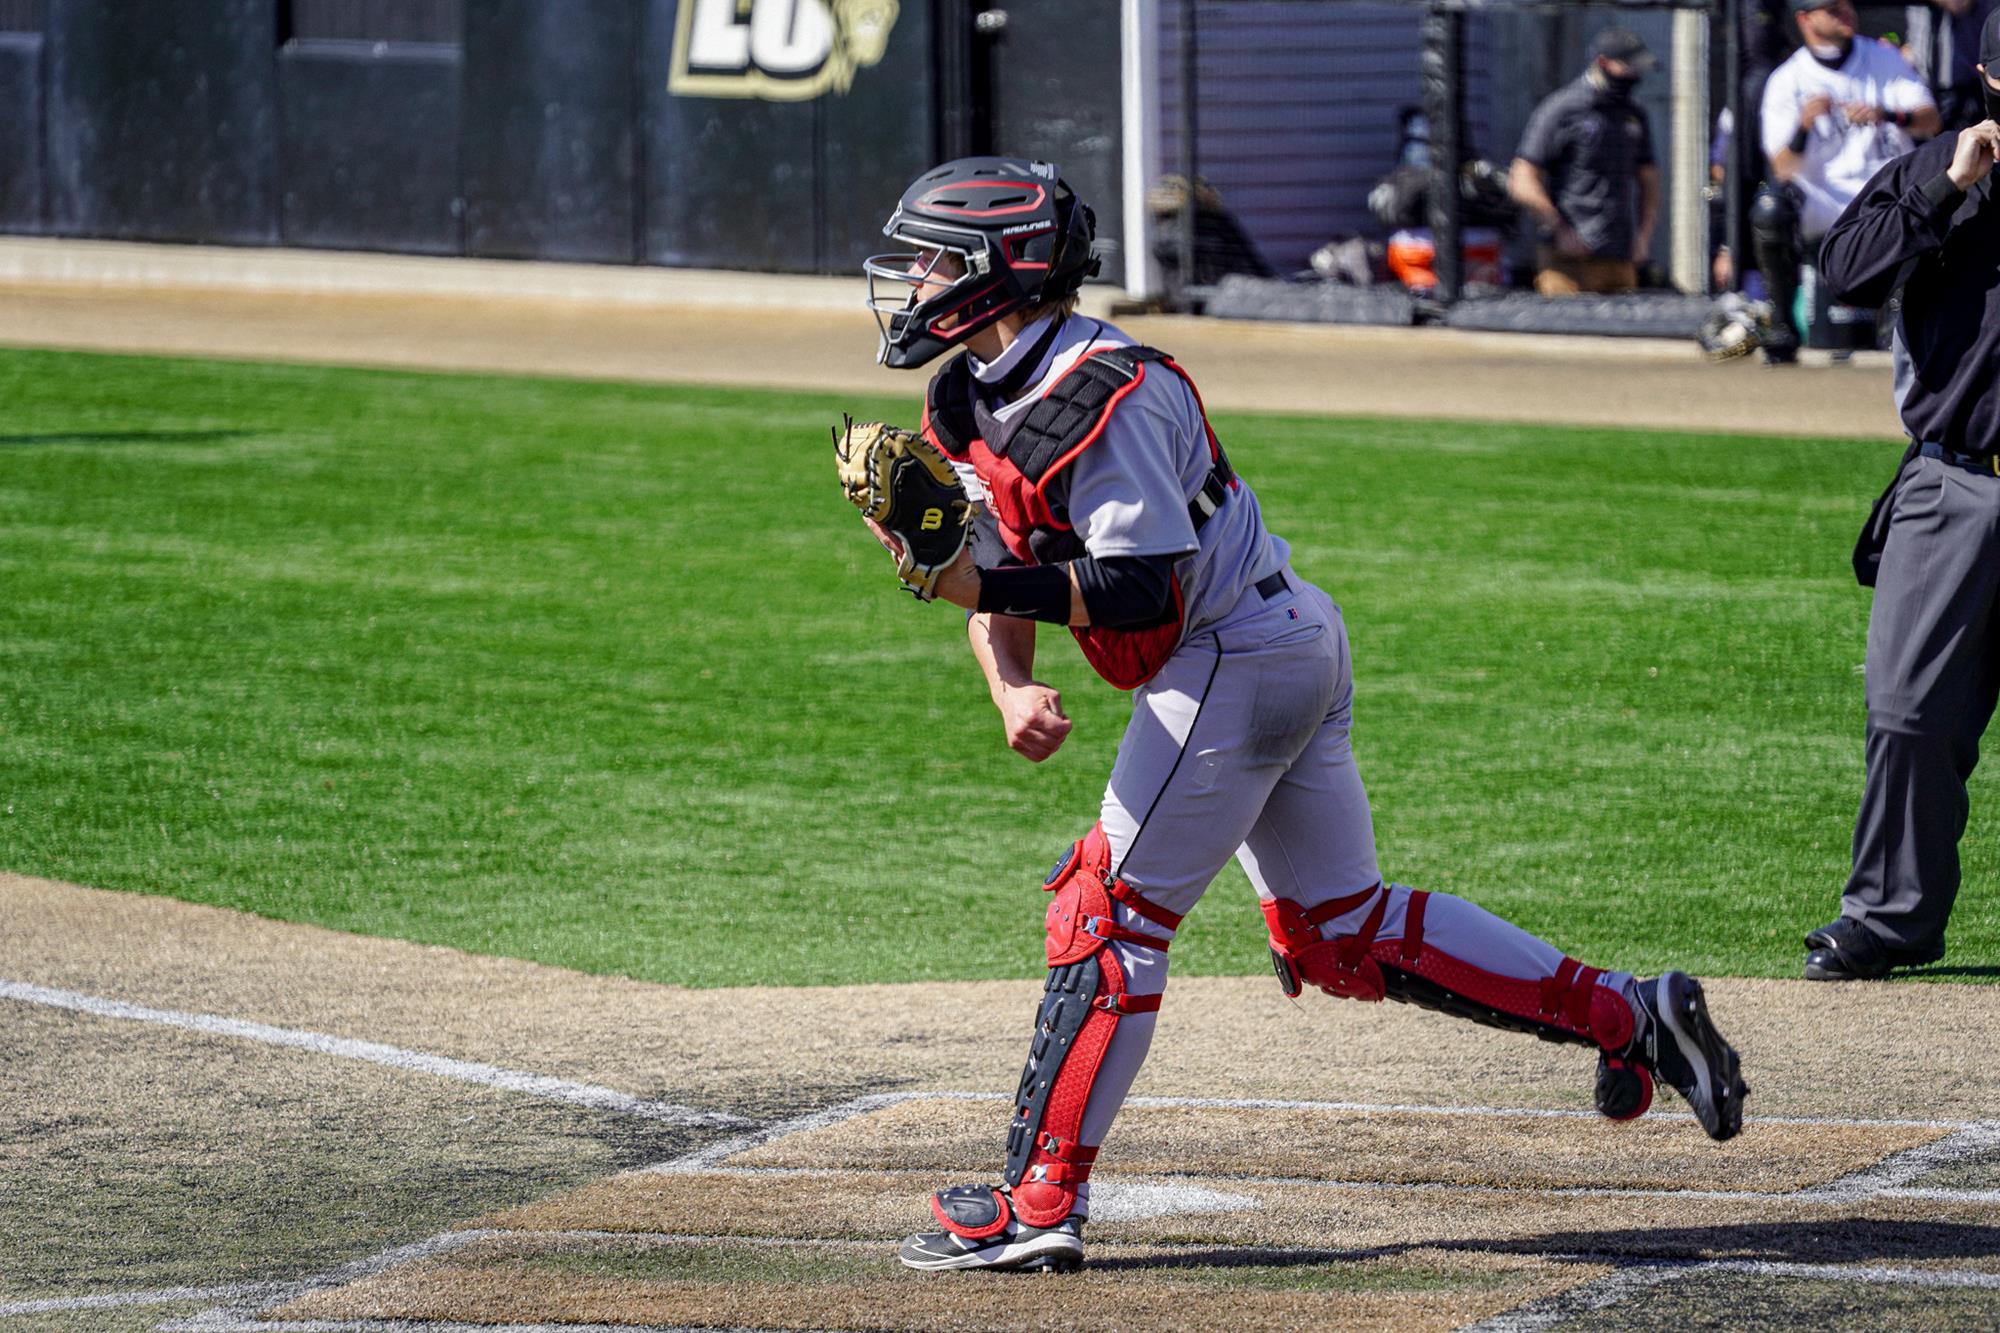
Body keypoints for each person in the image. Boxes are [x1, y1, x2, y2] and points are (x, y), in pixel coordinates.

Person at [852, 156, 1749, 1274]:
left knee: (1106, 909)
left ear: (1002, 271)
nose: (915, 281)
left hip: (1232, 653)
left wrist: (976, 590)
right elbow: (985, 552)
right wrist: (1005, 680)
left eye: (936, 259)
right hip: (1267, 642)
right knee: (1337, 933)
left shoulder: (1110, 391)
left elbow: (1141, 590)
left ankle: (1040, 1198)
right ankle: (1629, 1015)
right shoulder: (966, 394)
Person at [1811, 11, 2000, 980]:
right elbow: (1839, 276)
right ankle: (1886, 919)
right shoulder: (1934, 172)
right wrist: (1944, 186)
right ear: (1986, 77)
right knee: (1906, 712)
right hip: (1951, 480)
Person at [1754, 0, 1939, 362]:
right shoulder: (1788, 79)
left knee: (1933, 193)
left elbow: (1931, 121)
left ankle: (1900, 321)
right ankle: (1781, 327)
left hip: (1884, 192)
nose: (1845, 11)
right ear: (1805, 19)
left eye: (1845, 5)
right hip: (1824, 198)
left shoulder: (1883, 59)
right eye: (1831, 8)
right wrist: (1804, 126)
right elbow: (1781, 167)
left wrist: (1887, 113)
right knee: (1769, 207)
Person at [1507, 27, 1662, 296]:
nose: (1635, 76)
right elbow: (1520, 179)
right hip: (1567, 263)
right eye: (1629, 67)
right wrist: (1559, 227)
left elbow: (1649, 179)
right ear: (1603, 63)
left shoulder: (1634, 114)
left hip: (1620, 259)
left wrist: (1643, 236)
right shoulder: (1563, 109)